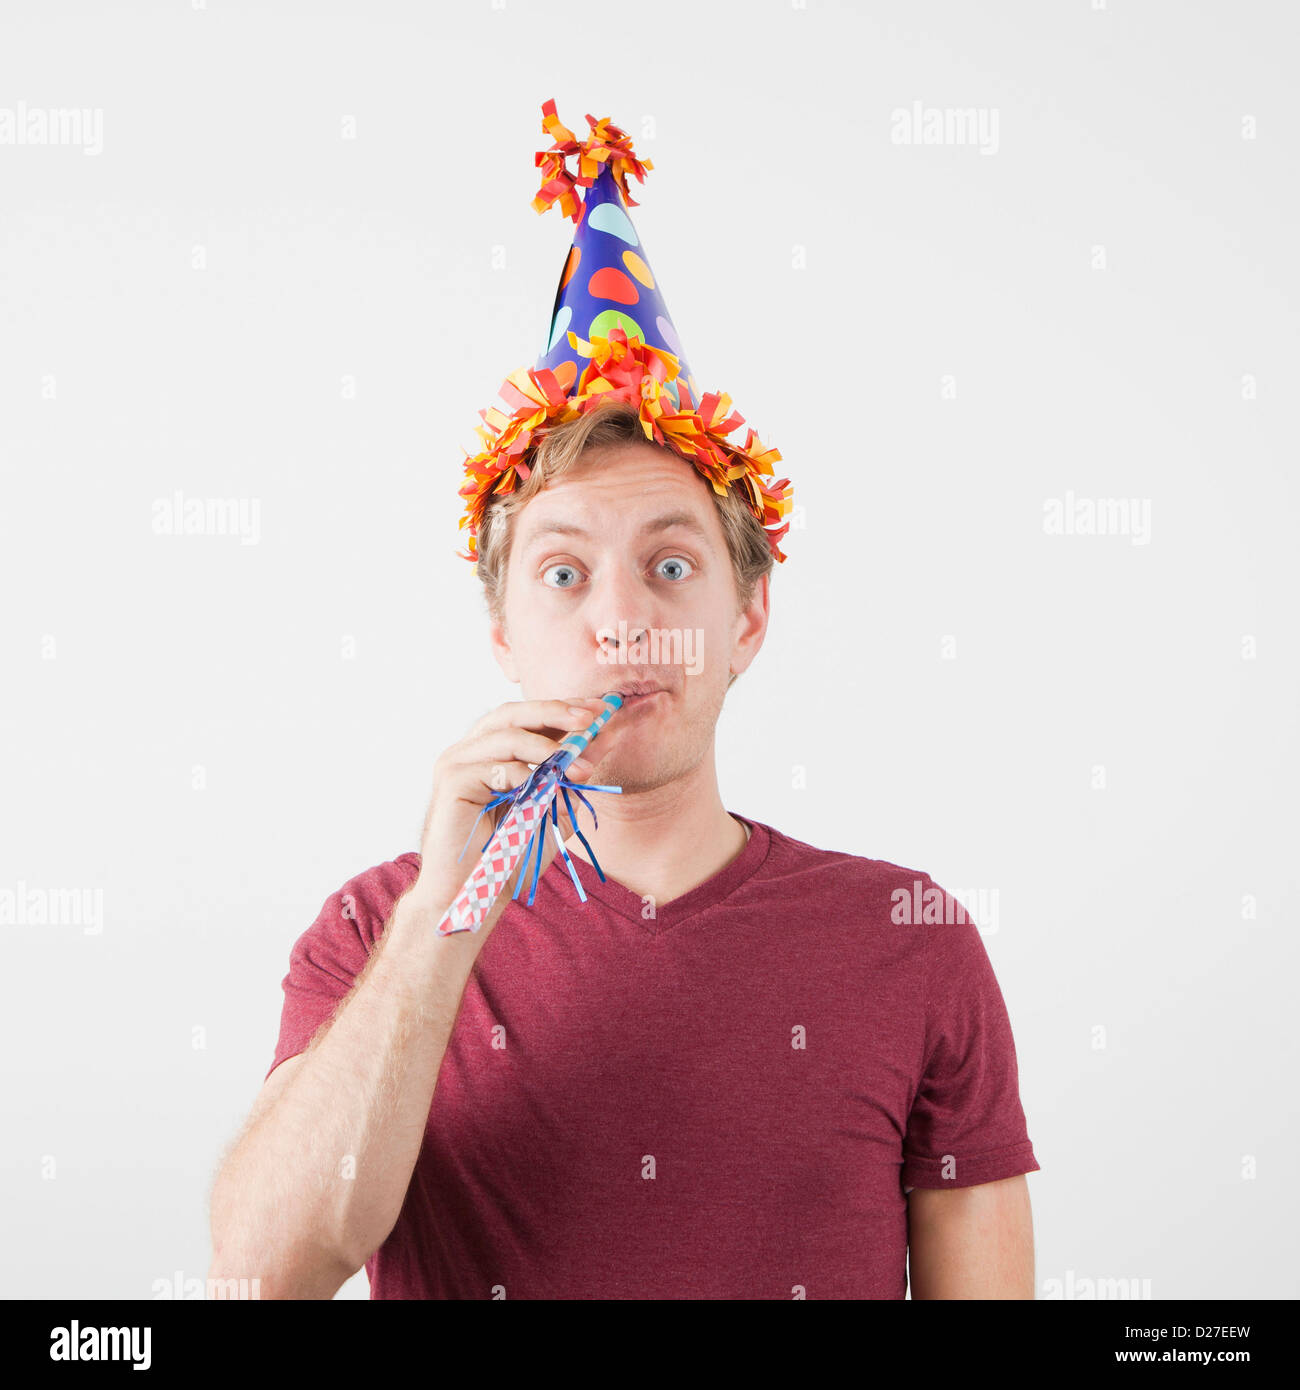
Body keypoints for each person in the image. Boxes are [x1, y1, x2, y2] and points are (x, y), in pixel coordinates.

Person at [208, 101, 1039, 1300]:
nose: (621, 620)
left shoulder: (911, 937)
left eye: (670, 564)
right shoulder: (372, 932)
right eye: (562, 572)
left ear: (746, 619)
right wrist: (445, 918)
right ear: (502, 632)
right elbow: (260, 1275)